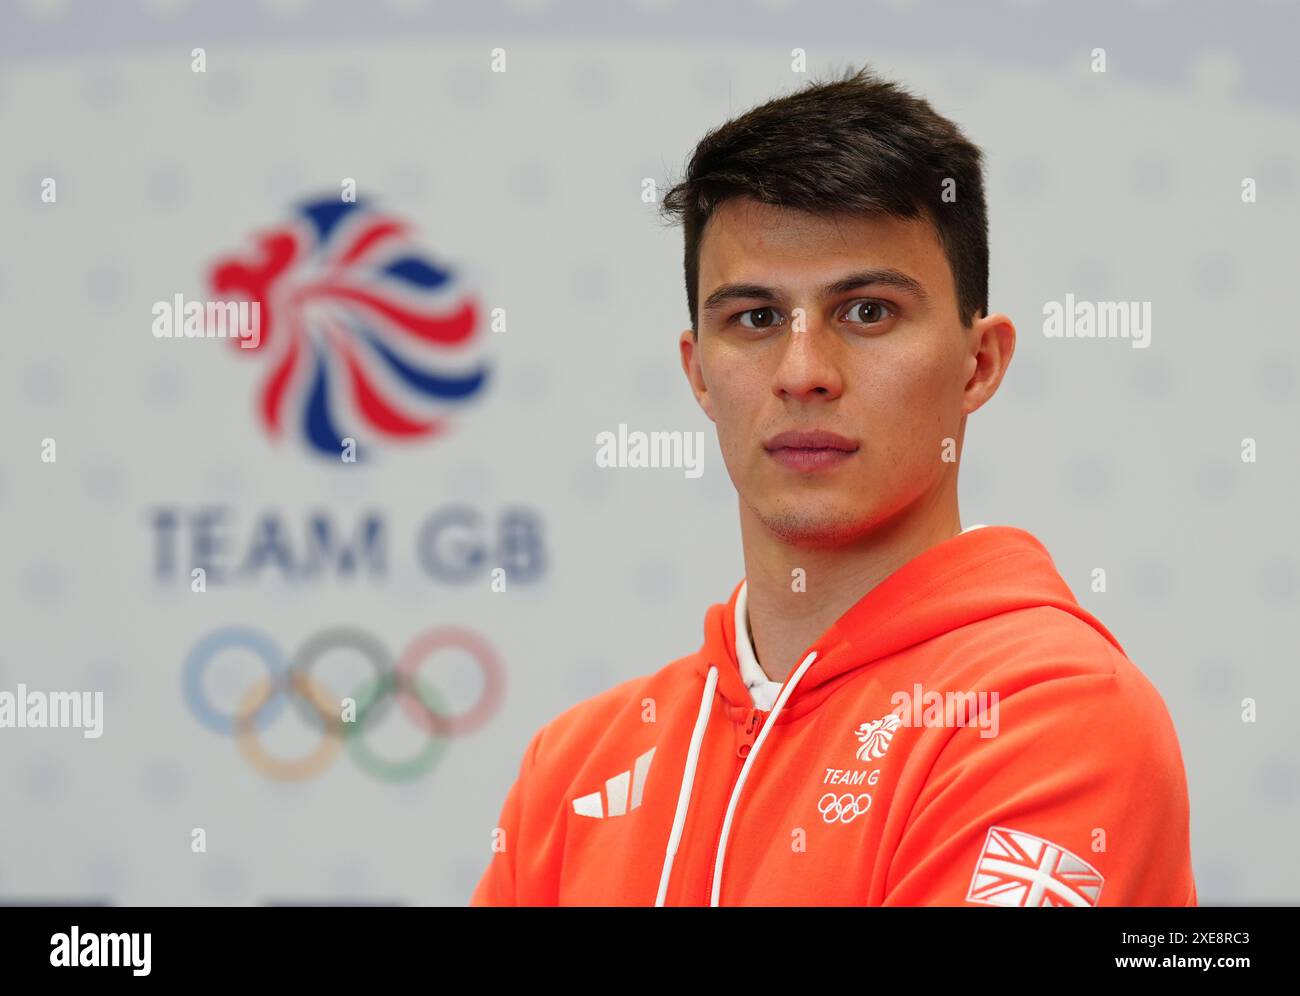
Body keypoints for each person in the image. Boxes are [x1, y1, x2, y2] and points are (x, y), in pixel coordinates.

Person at [470, 65, 1196, 906]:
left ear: (980, 362)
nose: (804, 372)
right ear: (698, 373)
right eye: (755, 319)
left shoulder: (1057, 712)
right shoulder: (573, 766)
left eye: (868, 312)